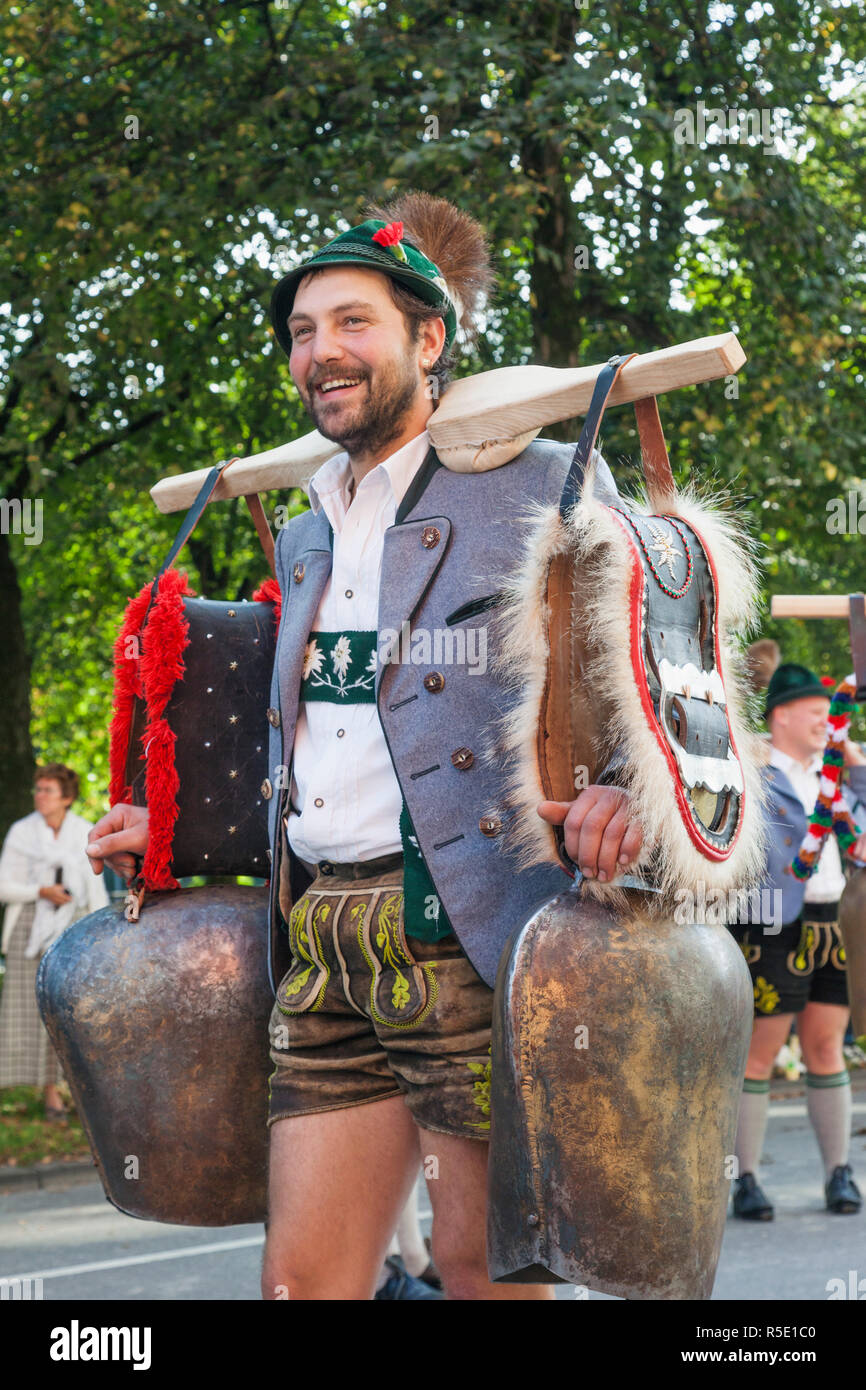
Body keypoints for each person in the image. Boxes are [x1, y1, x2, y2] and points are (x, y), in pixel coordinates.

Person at [86, 192, 644, 1300]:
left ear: (426, 340)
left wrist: (632, 797)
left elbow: (641, 664)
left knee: (485, 1274)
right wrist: (180, 822)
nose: (320, 353)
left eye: (350, 323)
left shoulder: (541, 479)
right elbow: (311, 743)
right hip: (322, 936)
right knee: (302, 1283)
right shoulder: (302, 531)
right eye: (301, 332)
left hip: (473, 928)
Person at [729, 662, 866, 1220]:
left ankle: (839, 1173)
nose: (826, 722)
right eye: (816, 712)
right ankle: (747, 1180)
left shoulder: (834, 775)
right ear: (780, 715)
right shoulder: (755, 775)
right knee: (760, 1054)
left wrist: (849, 754)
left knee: (826, 1048)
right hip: (774, 924)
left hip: (835, 921)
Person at [0, 763, 108, 1117]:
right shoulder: (22, 832)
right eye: (38, 789)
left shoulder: (83, 831)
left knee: (72, 1006)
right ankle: (49, 1094)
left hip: (72, 924)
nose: (40, 796)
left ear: (66, 797)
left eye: (47, 790)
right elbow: (3, 886)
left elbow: (95, 887)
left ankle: (77, 1086)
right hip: (28, 928)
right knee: (33, 1009)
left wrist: (102, 935)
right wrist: (41, 890)